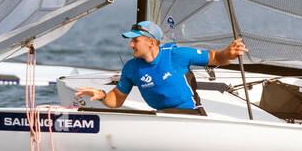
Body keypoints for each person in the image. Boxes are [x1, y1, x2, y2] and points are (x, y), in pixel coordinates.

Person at [74, 20, 248, 113]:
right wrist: (102, 95)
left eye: (135, 40)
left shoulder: (175, 55)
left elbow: (216, 57)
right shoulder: (131, 68)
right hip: (162, 119)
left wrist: (229, 53)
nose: (131, 45)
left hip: (191, 116)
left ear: (151, 42)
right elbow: (117, 100)